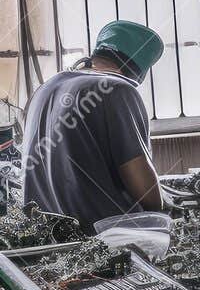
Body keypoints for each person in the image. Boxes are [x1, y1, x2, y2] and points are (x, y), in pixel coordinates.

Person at [21, 20, 165, 230]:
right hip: (102, 235)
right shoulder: (118, 89)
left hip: (46, 232)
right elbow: (145, 191)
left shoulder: (46, 87)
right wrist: (162, 208)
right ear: (138, 72)